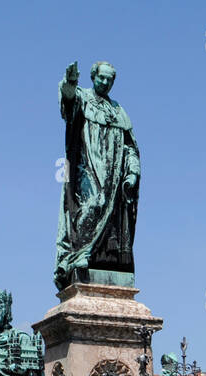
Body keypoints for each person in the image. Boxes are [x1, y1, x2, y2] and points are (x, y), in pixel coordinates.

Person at [54, 59, 141, 290]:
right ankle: (80, 255)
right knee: (92, 203)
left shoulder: (118, 110)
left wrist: (132, 172)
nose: (104, 82)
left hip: (112, 176)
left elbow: (130, 147)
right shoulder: (82, 98)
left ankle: (99, 259)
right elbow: (68, 100)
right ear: (93, 77)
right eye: (101, 77)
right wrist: (70, 83)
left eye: (109, 79)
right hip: (87, 166)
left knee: (110, 214)